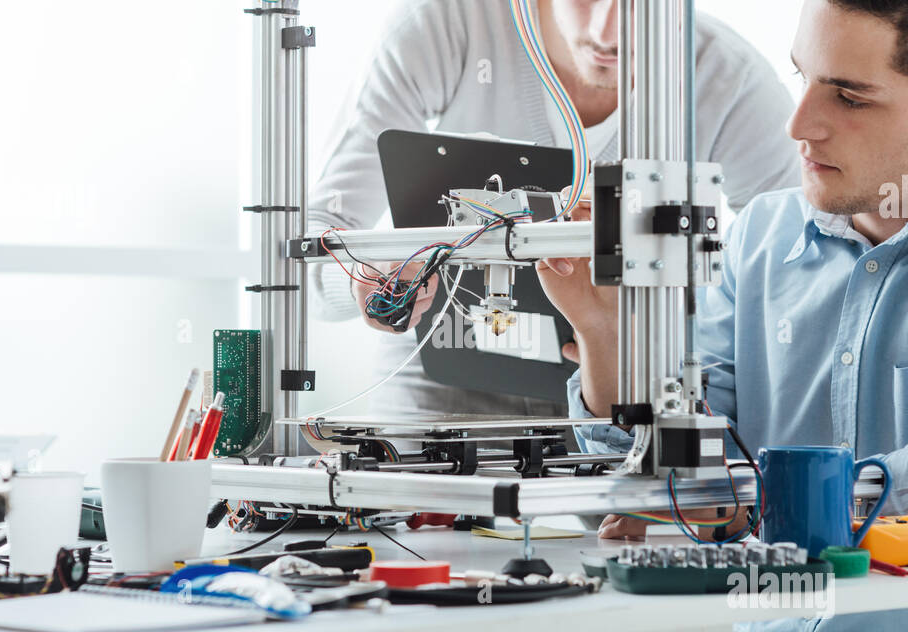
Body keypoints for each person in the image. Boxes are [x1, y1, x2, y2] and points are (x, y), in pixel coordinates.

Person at [540, 0, 908, 632]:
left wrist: (737, 504)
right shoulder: (762, 236)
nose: (799, 126)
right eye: (802, 77)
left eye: (848, 96)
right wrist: (603, 333)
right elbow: (660, 475)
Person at [307, 0, 800, 418]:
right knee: (398, 522)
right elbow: (313, 245)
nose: (606, 32)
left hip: (621, 381)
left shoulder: (730, 81)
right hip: (439, 375)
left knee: (648, 528)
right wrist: (368, 280)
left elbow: (797, 268)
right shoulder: (449, 21)